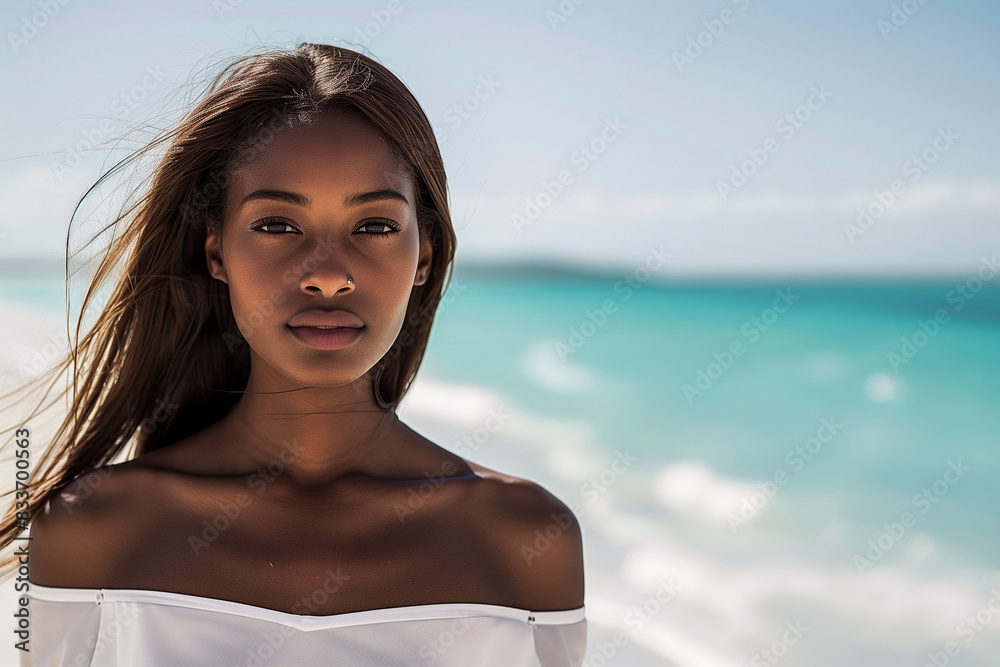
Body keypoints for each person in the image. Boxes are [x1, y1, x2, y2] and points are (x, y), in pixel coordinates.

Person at [0, 42, 587, 666]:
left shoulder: (527, 539)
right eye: (278, 225)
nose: (328, 275)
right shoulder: (95, 530)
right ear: (216, 252)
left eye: (375, 226)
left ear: (425, 257)